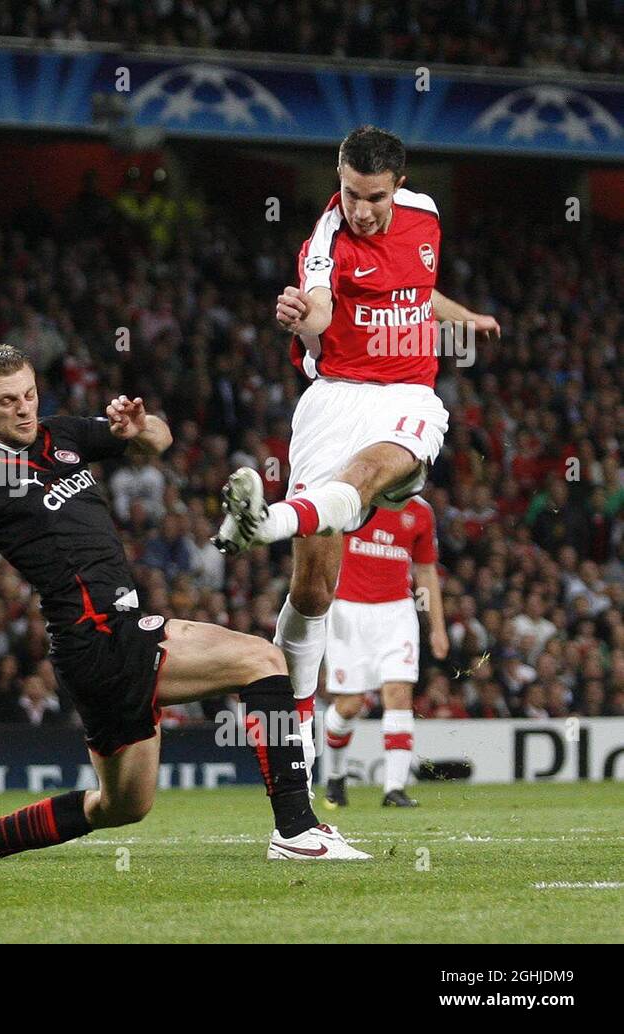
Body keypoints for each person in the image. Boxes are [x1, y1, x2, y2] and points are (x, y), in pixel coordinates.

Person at [0, 344, 369, 862]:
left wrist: (138, 425)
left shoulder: (62, 435)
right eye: (7, 402)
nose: (25, 409)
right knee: (263, 660)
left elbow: (155, 442)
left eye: (29, 394)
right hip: (99, 639)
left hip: (103, 643)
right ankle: (297, 831)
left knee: (120, 806)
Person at [213, 125, 500, 790]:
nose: (359, 209)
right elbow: (317, 308)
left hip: (406, 395)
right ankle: (300, 755)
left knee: (369, 474)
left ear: (399, 185)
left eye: (372, 197)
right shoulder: (326, 240)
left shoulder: (425, 215)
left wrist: (466, 318)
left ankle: (273, 519)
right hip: (333, 396)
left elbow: (415, 290)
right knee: (312, 590)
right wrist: (297, 314)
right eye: (348, 193)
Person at [321, 496, 447, 808]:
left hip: (397, 613)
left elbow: (426, 571)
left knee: (398, 692)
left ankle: (394, 789)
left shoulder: (419, 511)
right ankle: (336, 776)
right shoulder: (354, 499)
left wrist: (438, 627)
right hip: (348, 612)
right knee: (350, 705)